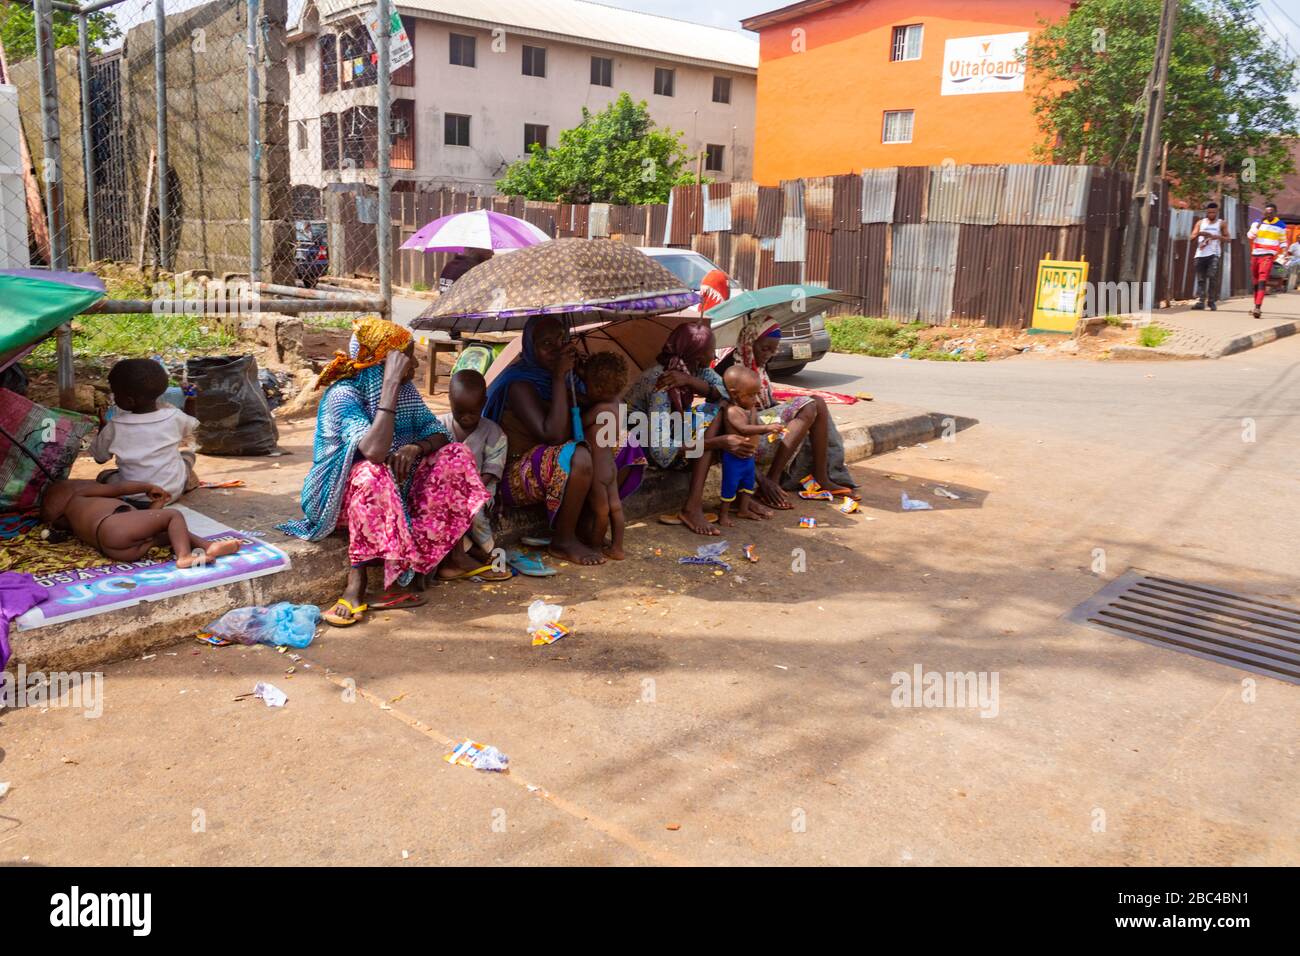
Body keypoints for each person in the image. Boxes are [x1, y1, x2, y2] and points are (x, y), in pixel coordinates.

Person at [279, 317, 490, 627]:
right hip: (336, 499)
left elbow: (440, 434)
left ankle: (436, 560)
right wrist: (389, 387)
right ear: (385, 363)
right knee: (372, 472)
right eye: (406, 357)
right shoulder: (344, 396)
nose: (414, 364)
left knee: (456, 455)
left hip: (392, 491)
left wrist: (415, 447)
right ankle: (357, 582)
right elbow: (374, 451)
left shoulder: (407, 394)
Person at [484, 315, 642, 566]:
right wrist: (559, 378)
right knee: (577, 455)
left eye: (561, 340)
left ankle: (586, 517)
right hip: (516, 472)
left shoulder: (569, 379)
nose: (557, 349)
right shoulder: (518, 385)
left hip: (557, 461)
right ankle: (563, 540)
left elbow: (614, 408)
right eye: (547, 344)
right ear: (530, 348)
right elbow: (554, 435)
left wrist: (587, 376)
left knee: (627, 443)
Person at [624, 321, 757, 536]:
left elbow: (731, 394)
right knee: (720, 419)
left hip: (670, 432)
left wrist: (691, 381)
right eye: (710, 352)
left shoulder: (691, 370)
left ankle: (743, 495)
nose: (714, 357)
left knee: (725, 409)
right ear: (696, 356)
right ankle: (693, 507)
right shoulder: (662, 383)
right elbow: (662, 451)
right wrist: (719, 442)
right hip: (640, 444)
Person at [712, 316, 858, 512]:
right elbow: (725, 418)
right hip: (749, 434)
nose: (769, 355)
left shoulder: (759, 366)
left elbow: (768, 405)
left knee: (818, 403)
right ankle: (772, 480)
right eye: (765, 348)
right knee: (808, 405)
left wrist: (782, 412)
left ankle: (822, 476)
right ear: (750, 340)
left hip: (762, 420)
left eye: (773, 350)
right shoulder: (731, 369)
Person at [40, 478, 239, 568]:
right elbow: (119, 488)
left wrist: (157, 504)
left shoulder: (75, 517)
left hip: (115, 548)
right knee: (173, 516)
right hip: (114, 527)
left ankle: (207, 547)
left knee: (168, 532)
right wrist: (147, 486)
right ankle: (185, 557)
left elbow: (146, 524)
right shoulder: (81, 494)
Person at [90, 358, 199, 504]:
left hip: (133, 495)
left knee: (104, 476)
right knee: (187, 456)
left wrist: (103, 427)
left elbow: (100, 458)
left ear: (129, 401)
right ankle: (186, 481)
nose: (113, 398)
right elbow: (191, 423)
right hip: (171, 492)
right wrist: (190, 400)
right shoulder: (174, 417)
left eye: (115, 394)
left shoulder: (115, 426)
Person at [439, 369, 509, 568]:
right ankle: (471, 552)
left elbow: (491, 470)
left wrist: (471, 490)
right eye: (460, 411)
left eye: (472, 412)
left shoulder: (494, 433)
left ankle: (491, 551)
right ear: (450, 400)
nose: (466, 417)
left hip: (479, 491)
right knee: (444, 516)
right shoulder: (438, 426)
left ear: (483, 403)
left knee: (474, 514)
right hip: (446, 492)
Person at [578, 351, 632, 559]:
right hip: (610, 465)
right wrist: (586, 374)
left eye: (588, 384)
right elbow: (600, 390)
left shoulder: (598, 409)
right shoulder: (617, 404)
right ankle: (617, 548)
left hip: (597, 469)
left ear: (599, 388)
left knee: (601, 510)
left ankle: (595, 547)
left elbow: (580, 426)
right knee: (616, 508)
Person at [717, 366, 780, 526]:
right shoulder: (732, 411)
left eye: (757, 394)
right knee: (730, 485)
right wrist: (767, 428)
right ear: (734, 393)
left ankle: (743, 509)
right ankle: (723, 515)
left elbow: (755, 425)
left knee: (748, 484)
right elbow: (744, 429)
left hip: (748, 457)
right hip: (734, 459)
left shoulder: (749, 408)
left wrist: (771, 427)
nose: (755, 398)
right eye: (751, 395)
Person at [1246, 202, 1288, 318]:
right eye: (1266, 212)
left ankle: (1258, 308)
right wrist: (1259, 223)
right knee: (1255, 281)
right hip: (1255, 255)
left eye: (1271, 213)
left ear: (1275, 213)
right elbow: (1250, 236)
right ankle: (1256, 305)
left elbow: (1283, 241)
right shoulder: (1256, 223)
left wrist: (1284, 253)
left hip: (1268, 256)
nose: (1268, 215)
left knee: (1262, 280)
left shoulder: (1281, 225)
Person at [1189, 202, 1229, 311]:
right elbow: (1191, 237)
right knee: (1201, 279)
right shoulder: (1200, 223)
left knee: (1212, 277)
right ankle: (1201, 302)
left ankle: (1211, 301)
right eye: (1209, 212)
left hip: (1214, 254)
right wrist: (1199, 234)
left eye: (1213, 212)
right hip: (1200, 254)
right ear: (1206, 212)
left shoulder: (1222, 223)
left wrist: (1217, 237)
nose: (1211, 214)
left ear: (1217, 212)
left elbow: (1228, 239)